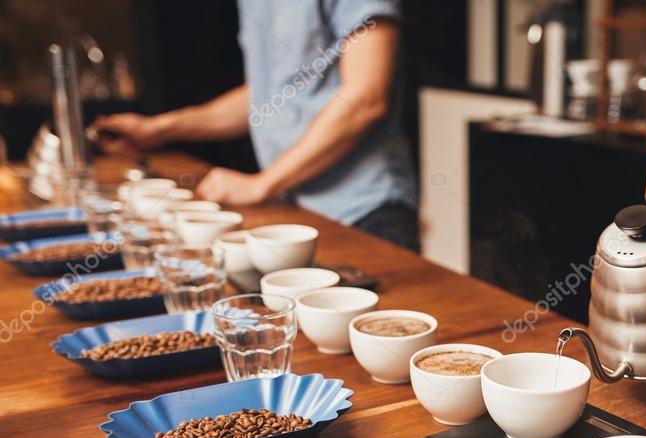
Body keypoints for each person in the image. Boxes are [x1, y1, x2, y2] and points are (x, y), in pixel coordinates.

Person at [93, 0, 419, 251]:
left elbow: (366, 97)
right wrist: (160, 129)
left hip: (363, 211)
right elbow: (272, 94)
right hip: (291, 209)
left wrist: (262, 184)